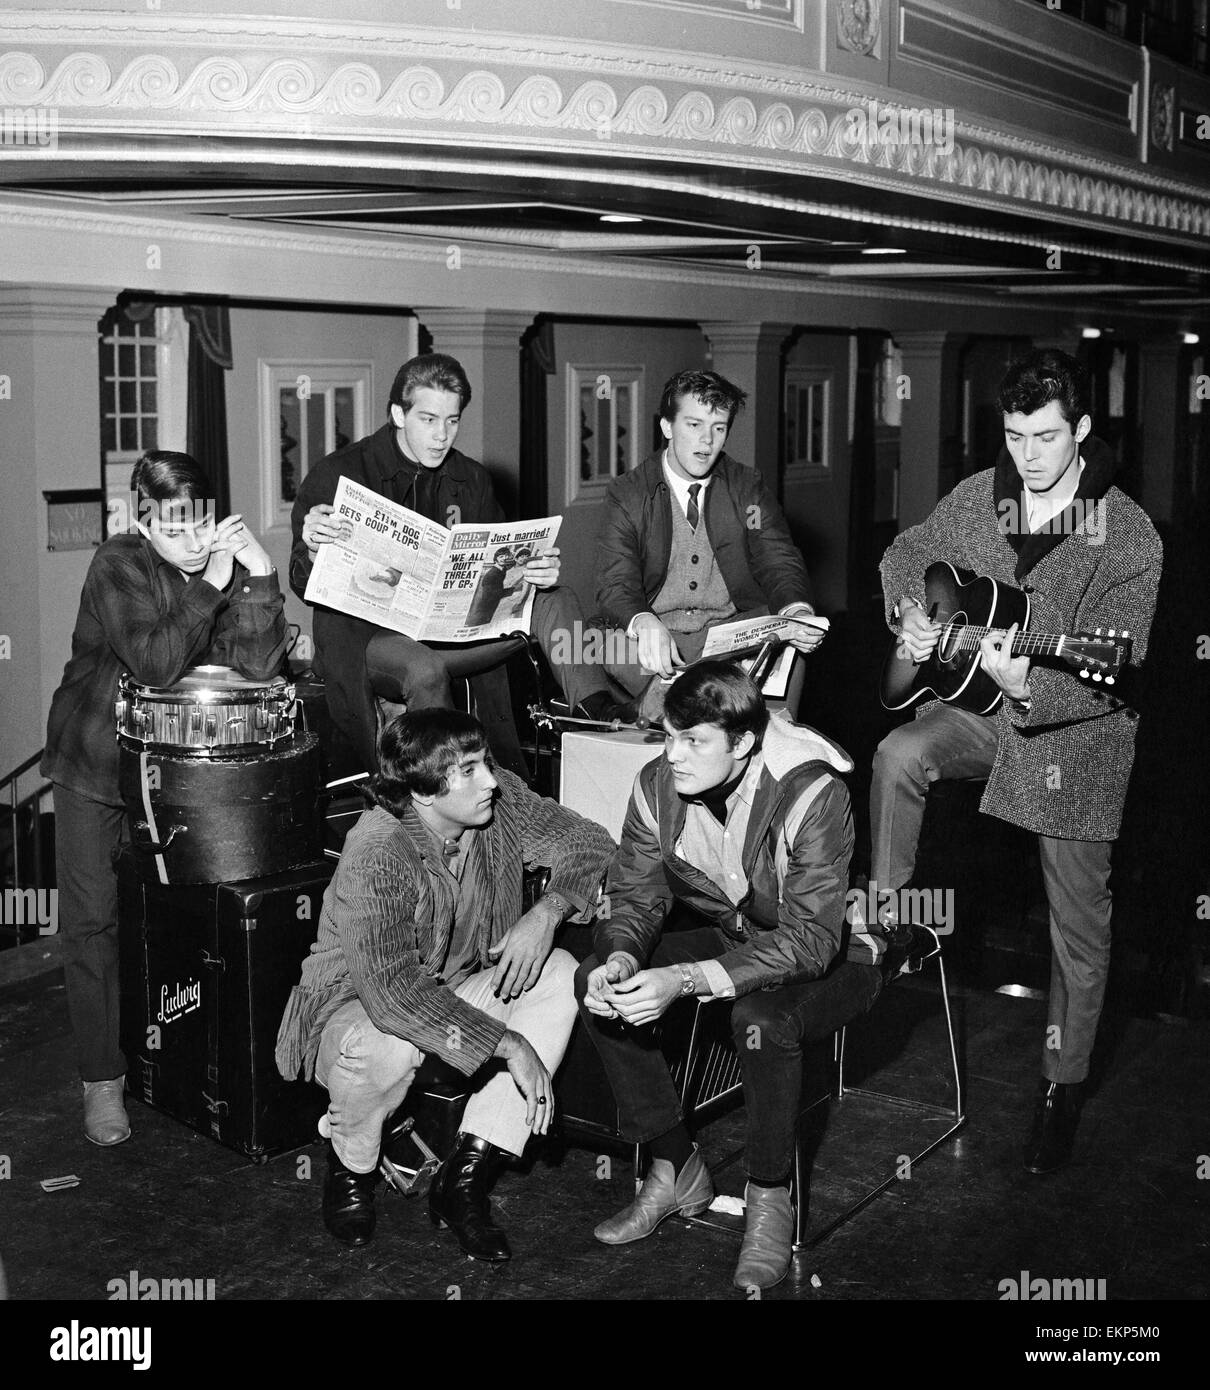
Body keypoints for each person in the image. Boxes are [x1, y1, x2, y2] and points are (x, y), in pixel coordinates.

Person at [871, 349, 1162, 1175]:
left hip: (1076, 736)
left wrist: (1032, 682)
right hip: (977, 711)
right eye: (1012, 436)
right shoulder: (980, 494)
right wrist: (911, 617)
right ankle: (885, 926)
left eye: (1044, 438)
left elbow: (1119, 666)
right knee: (898, 752)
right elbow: (907, 552)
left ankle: (1059, 1092)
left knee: (1078, 932)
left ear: (1082, 431)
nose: (1027, 457)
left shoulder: (1127, 534)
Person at [574, 661, 894, 1292]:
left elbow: (810, 939)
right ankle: (673, 1167)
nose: (675, 756)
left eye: (694, 742)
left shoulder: (813, 791)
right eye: (670, 735)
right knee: (597, 980)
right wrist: (621, 956)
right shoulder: (657, 783)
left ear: (743, 744)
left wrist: (690, 979)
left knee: (761, 1021)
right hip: (741, 939)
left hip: (838, 953)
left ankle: (771, 1197)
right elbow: (635, 899)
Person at [275, 708, 615, 1259]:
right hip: (357, 1007)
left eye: (484, 763)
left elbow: (590, 842)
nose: (491, 781)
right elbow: (395, 997)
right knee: (387, 1044)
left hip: (454, 991)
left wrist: (547, 913)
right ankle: (351, 1167)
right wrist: (512, 1046)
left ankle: (465, 1180)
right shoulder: (378, 850)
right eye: (470, 770)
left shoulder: (498, 806)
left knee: (556, 973)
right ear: (425, 794)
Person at [41, 451, 287, 1145]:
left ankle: (172, 1057)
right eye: (173, 526)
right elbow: (153, 660)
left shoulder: (224, 562)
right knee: (93, 924)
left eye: (199, 522)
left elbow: (259, 666)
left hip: (177, 775)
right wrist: (210, 582)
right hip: (93, 763)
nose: (191, 538)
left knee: (175, 920)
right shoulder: (117, 563)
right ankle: (101, 1080)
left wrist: (261, 571)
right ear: (142, 519)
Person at [291, 353, 630, 770]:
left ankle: (598, 712)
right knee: (423, 668)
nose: (441, 436)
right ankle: (444, 782)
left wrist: (533, 574)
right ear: (398, 413)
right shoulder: (340, 474)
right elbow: (302, 583)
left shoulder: (471, 479)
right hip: (367, 639)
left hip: (451, 630)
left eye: (452, 421)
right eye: (428, 420)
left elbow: (501, 565)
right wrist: (312, 547)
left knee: (557, 599)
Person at [595, 370, 825, 719]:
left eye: (719, 428)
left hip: (728, 636)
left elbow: (774, 556)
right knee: (601, 647)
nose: (707, 442)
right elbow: (616, 581)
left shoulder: (747, 491)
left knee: (780, 672)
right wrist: (641, 620)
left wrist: (795, 608)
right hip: (654, 636)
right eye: (694, 425)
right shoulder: (629, 495)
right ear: (667, 427)